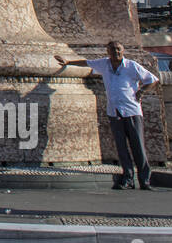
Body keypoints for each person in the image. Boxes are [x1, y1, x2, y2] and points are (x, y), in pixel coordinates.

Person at [55, 41, 158, 190]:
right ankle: (128, 178)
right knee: (121, 147)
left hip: (132, 111)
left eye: (119, 49)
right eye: (113, 50)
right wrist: (68, 62)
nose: (116, 52)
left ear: (123, 51)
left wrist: (141, 91)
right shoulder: (104, 64)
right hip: (114, 111)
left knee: (138, 146)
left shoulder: (131, 66)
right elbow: (87, 63)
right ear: (108, 52)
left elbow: (152, 80)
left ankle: (145, 180)